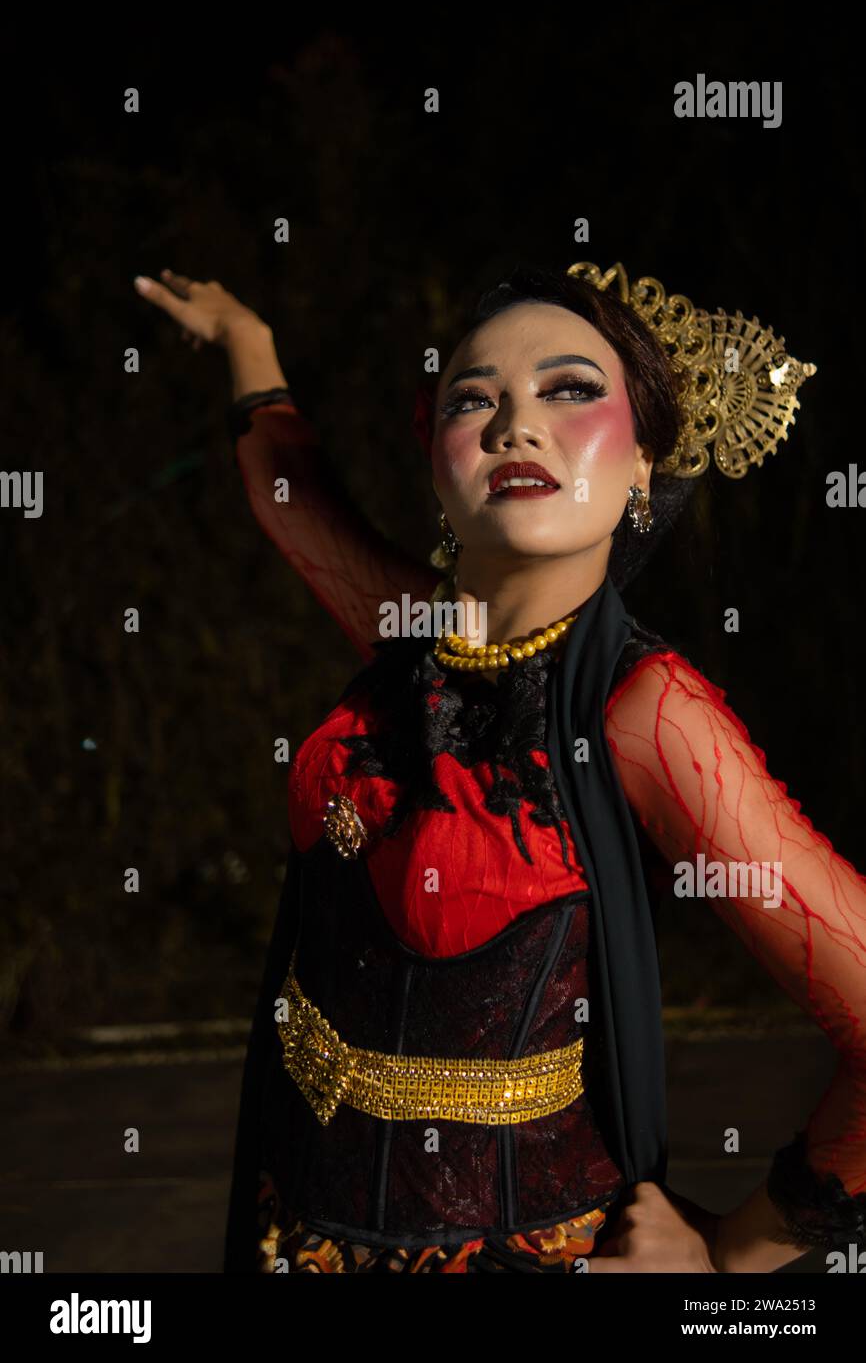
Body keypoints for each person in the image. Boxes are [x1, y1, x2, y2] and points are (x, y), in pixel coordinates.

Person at [134, 260, 866, 1274]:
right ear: (435, 459)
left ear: (645, 461)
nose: (514, 425)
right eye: (471, 399)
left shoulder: (647, 714)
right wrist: (243, 338)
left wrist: (730, 1255)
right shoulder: (414, 644)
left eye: (569, 391)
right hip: (287, 1233)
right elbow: (292, 498)